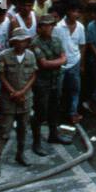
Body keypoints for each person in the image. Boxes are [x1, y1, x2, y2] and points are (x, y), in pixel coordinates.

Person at [0, 29, 37, 177]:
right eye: (18, 41)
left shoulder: (31, 56)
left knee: (23, 129)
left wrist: (22, 92)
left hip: (25, 99)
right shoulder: (4, 56)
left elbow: (33, 75)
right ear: (13, 42)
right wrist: (13, 92)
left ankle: (20, 154)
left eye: (23, 40)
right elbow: (1, 76)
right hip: (8, 100)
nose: (21, 43)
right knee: (4, 132)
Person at [31, 14, 70, 153]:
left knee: (55, 109)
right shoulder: (35, 43)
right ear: (40, 28)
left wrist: (57, 62)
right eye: (46, 25)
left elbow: (65, 58)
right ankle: (36, 142)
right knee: (40, 112)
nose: (50, 28)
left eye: (51, 25)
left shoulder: (56, 40)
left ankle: (53, 135)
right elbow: (43, 64)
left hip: (55, 79)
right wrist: (59, 61)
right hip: (42, 82)